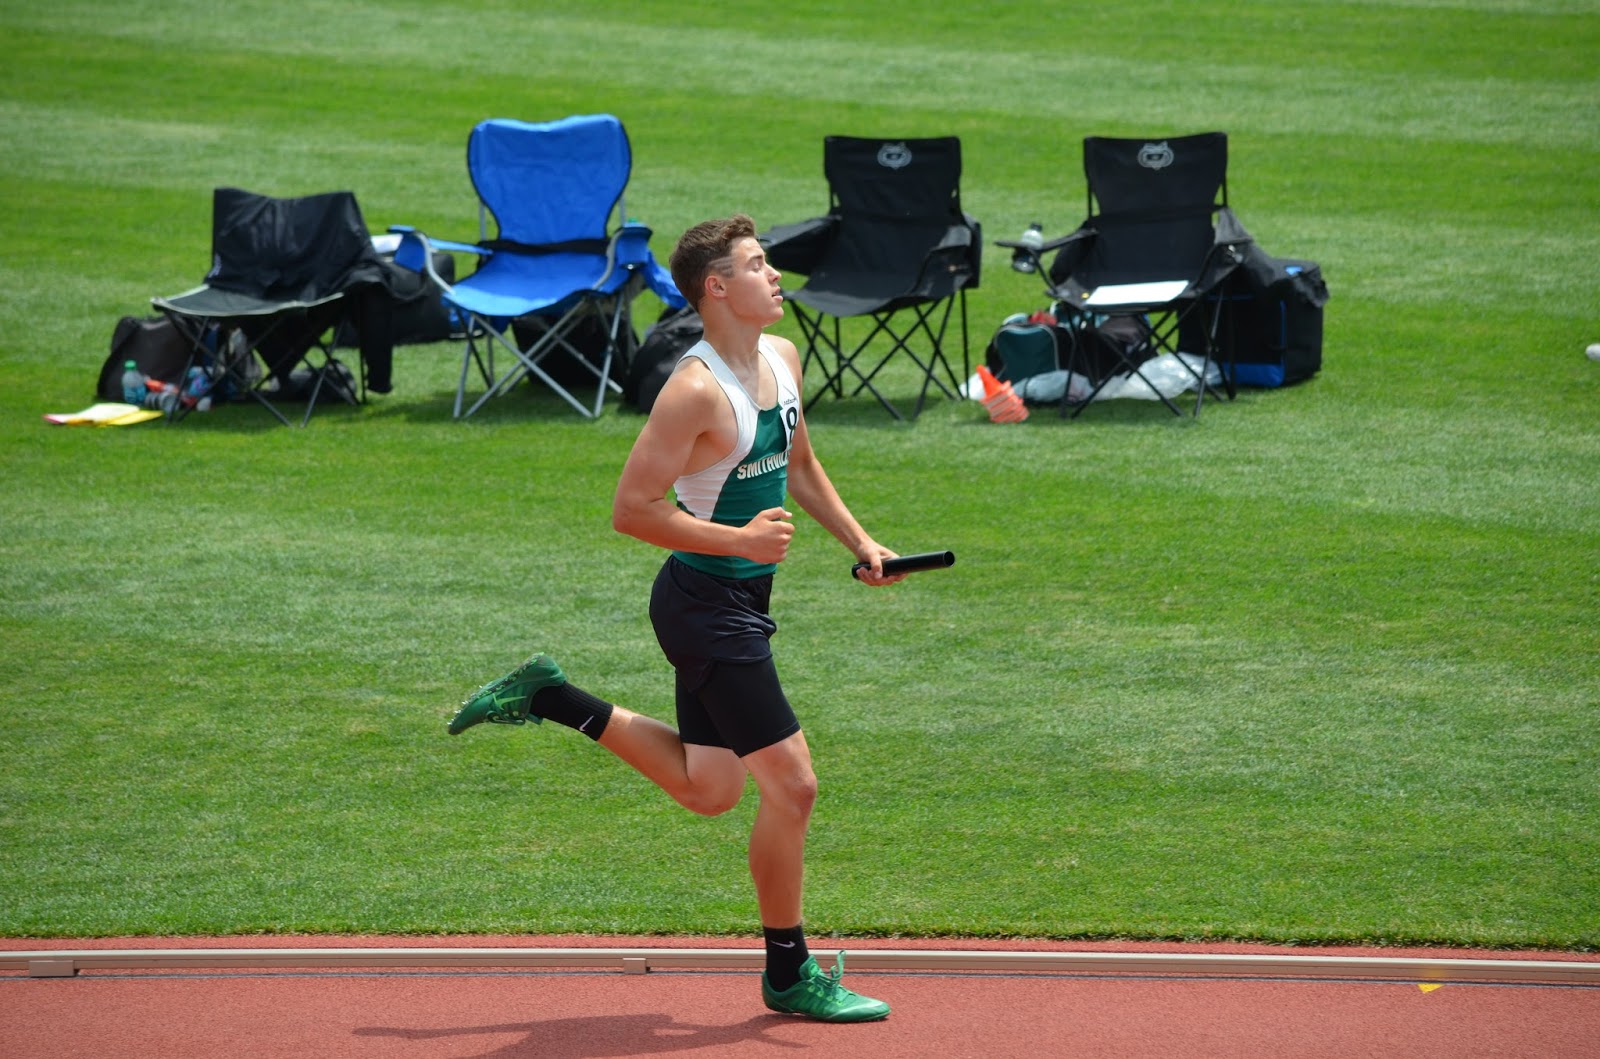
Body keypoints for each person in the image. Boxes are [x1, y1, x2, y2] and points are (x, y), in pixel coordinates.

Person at [448, 214, 904, 1023]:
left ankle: (553, 696)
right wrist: (740, 538)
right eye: (758, 265)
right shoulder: (692, 390)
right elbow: (631, 509)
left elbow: (798, 463)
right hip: (702, 606)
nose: (776, 276)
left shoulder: (785, 359)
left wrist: (862, 540)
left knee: (710, 788)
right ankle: (789, 972)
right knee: (794, 786)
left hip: (738, 601)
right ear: (717, 289)